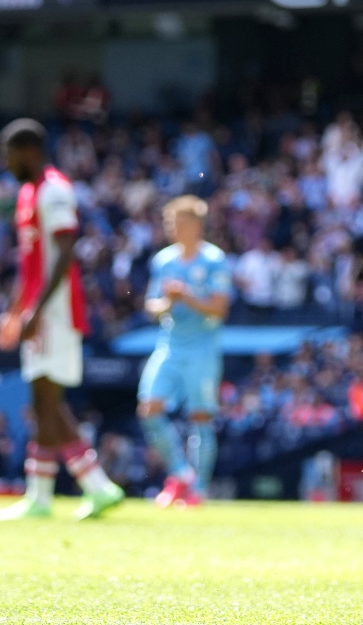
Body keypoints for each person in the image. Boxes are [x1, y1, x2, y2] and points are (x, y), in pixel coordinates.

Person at [0, 118, 126, 522]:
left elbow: (65, 253)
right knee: (44, 400)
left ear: (28, 151)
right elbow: (29, 264)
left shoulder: (54, 191)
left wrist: (35, 310)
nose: (6, 161)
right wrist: (15, 310)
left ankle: (71, 490)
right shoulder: (29, 193)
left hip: (57, 311)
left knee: (46, 400)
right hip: (39, 309)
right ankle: (59, 492)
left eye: (9, 153)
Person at [137, 194, 232, 508]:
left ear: (194, 224)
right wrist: (167, 302)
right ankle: (181, 473)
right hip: (170, 343)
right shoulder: (164, 260)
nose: (170, 228)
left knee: (200, 416)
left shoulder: (214, 260)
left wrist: (186, 297)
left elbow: (218, 310)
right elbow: (153, 306)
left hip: (203, 347)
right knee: (149, 408)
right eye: (168, 223)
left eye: (174, 222)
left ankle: (199, 488)